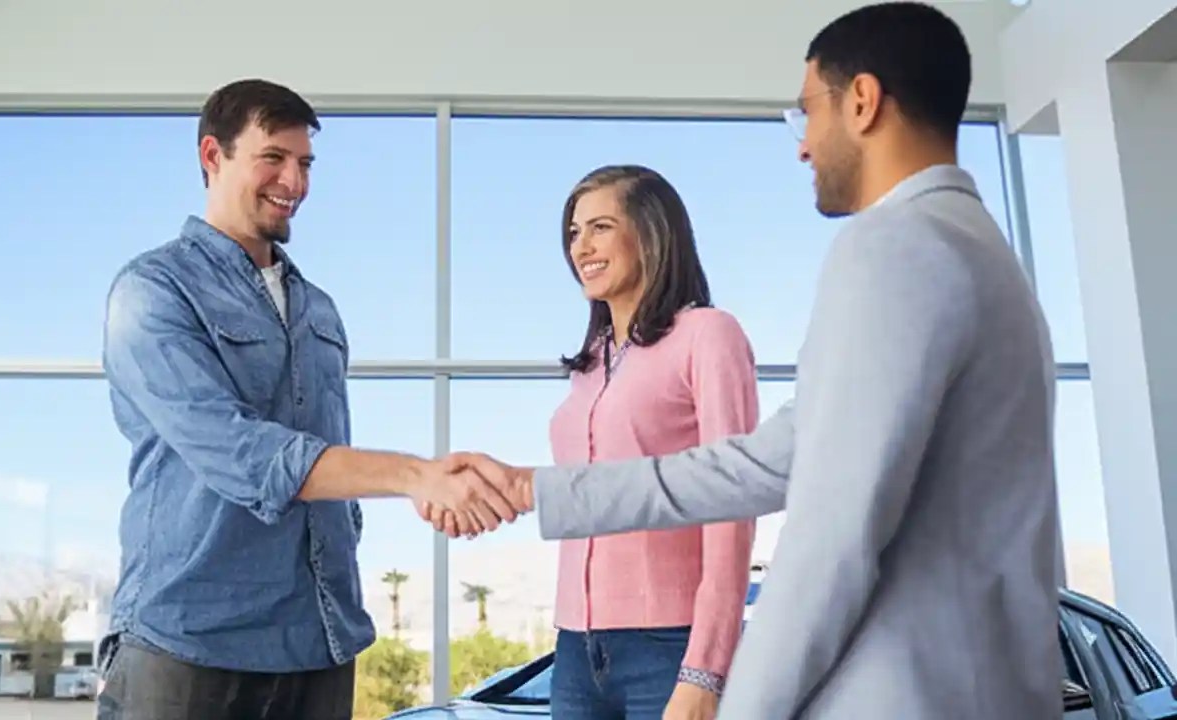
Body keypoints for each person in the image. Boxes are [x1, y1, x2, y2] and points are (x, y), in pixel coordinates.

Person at [440, 3, 1062, 718]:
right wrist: (531, 489)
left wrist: (723, 692)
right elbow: (765, 462)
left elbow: (833, 533)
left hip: (907, 694)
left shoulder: (892, 249)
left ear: (861, 101)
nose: (802, 146)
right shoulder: (987, 255)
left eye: (807, 112)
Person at [97, 78, 517, 720]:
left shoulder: (318, 307)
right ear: (213, 156)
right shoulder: (152, 291)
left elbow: (329, 452)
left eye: (305, 163)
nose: (294, 182)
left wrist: (427, 492)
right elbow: (240, 453)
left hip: (318, 641)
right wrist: (416, 476)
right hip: (188, 645)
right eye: (274, 158)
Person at [544, 165, 758, 720]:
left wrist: (705, 667)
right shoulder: (589, 366)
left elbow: (733, 505)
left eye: (600, 227)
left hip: (669, 645)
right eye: (573, 232)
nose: (581, 247)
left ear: (652, 232)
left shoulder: (708, 335)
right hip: (575, 648)